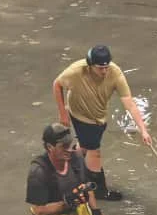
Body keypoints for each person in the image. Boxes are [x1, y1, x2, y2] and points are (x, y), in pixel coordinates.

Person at [52, 44, 151, 202]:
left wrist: (143, 130)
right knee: (94, 152)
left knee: (84, 147)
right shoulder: (76, 71)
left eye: (106, 67)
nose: (104, 71)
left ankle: (63, 168)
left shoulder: (115, 73)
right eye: (100, 68)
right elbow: (57, 85)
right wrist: (63, 113)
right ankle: (100, 190)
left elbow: (129, 102)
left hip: (99, 116)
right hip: (81, 114)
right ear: (90, 65)